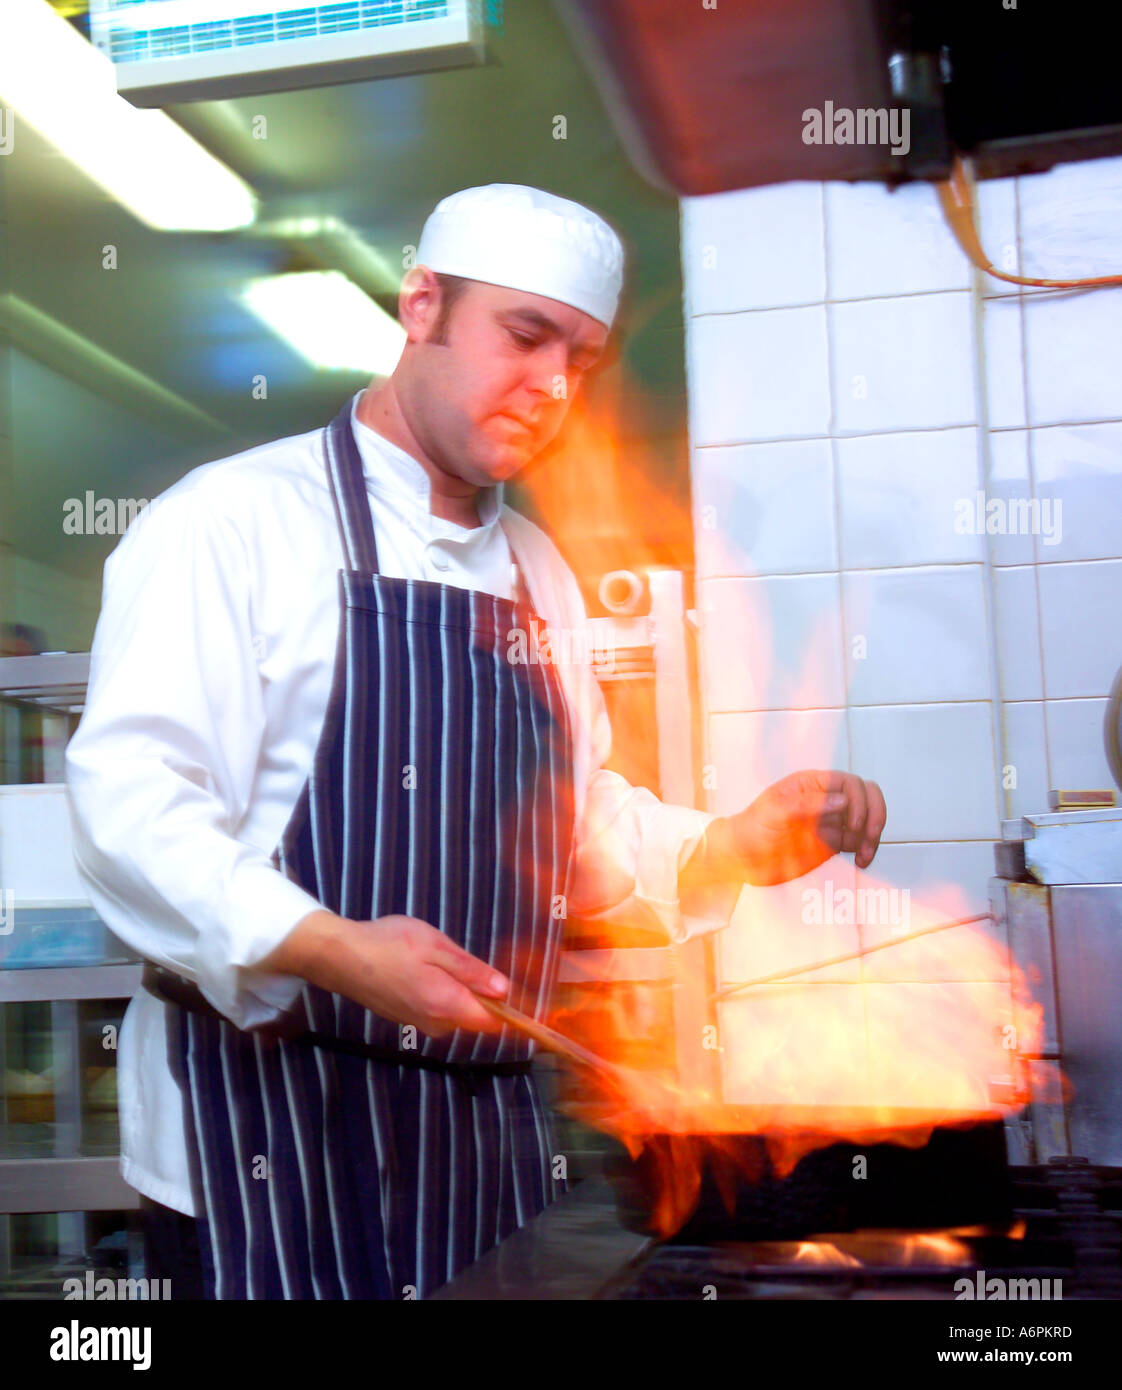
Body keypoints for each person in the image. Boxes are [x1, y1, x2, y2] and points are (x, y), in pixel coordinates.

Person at [65, 183, 886, 1300]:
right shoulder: (233, 525)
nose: (552, 384)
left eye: (581, 358)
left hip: (480, 1147)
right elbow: (131, 811)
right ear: (421, 305)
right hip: (263, 1129)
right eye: (524, 333)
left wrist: (733, 843)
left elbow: (574, 828)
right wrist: (330, 946)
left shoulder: (539, 572)